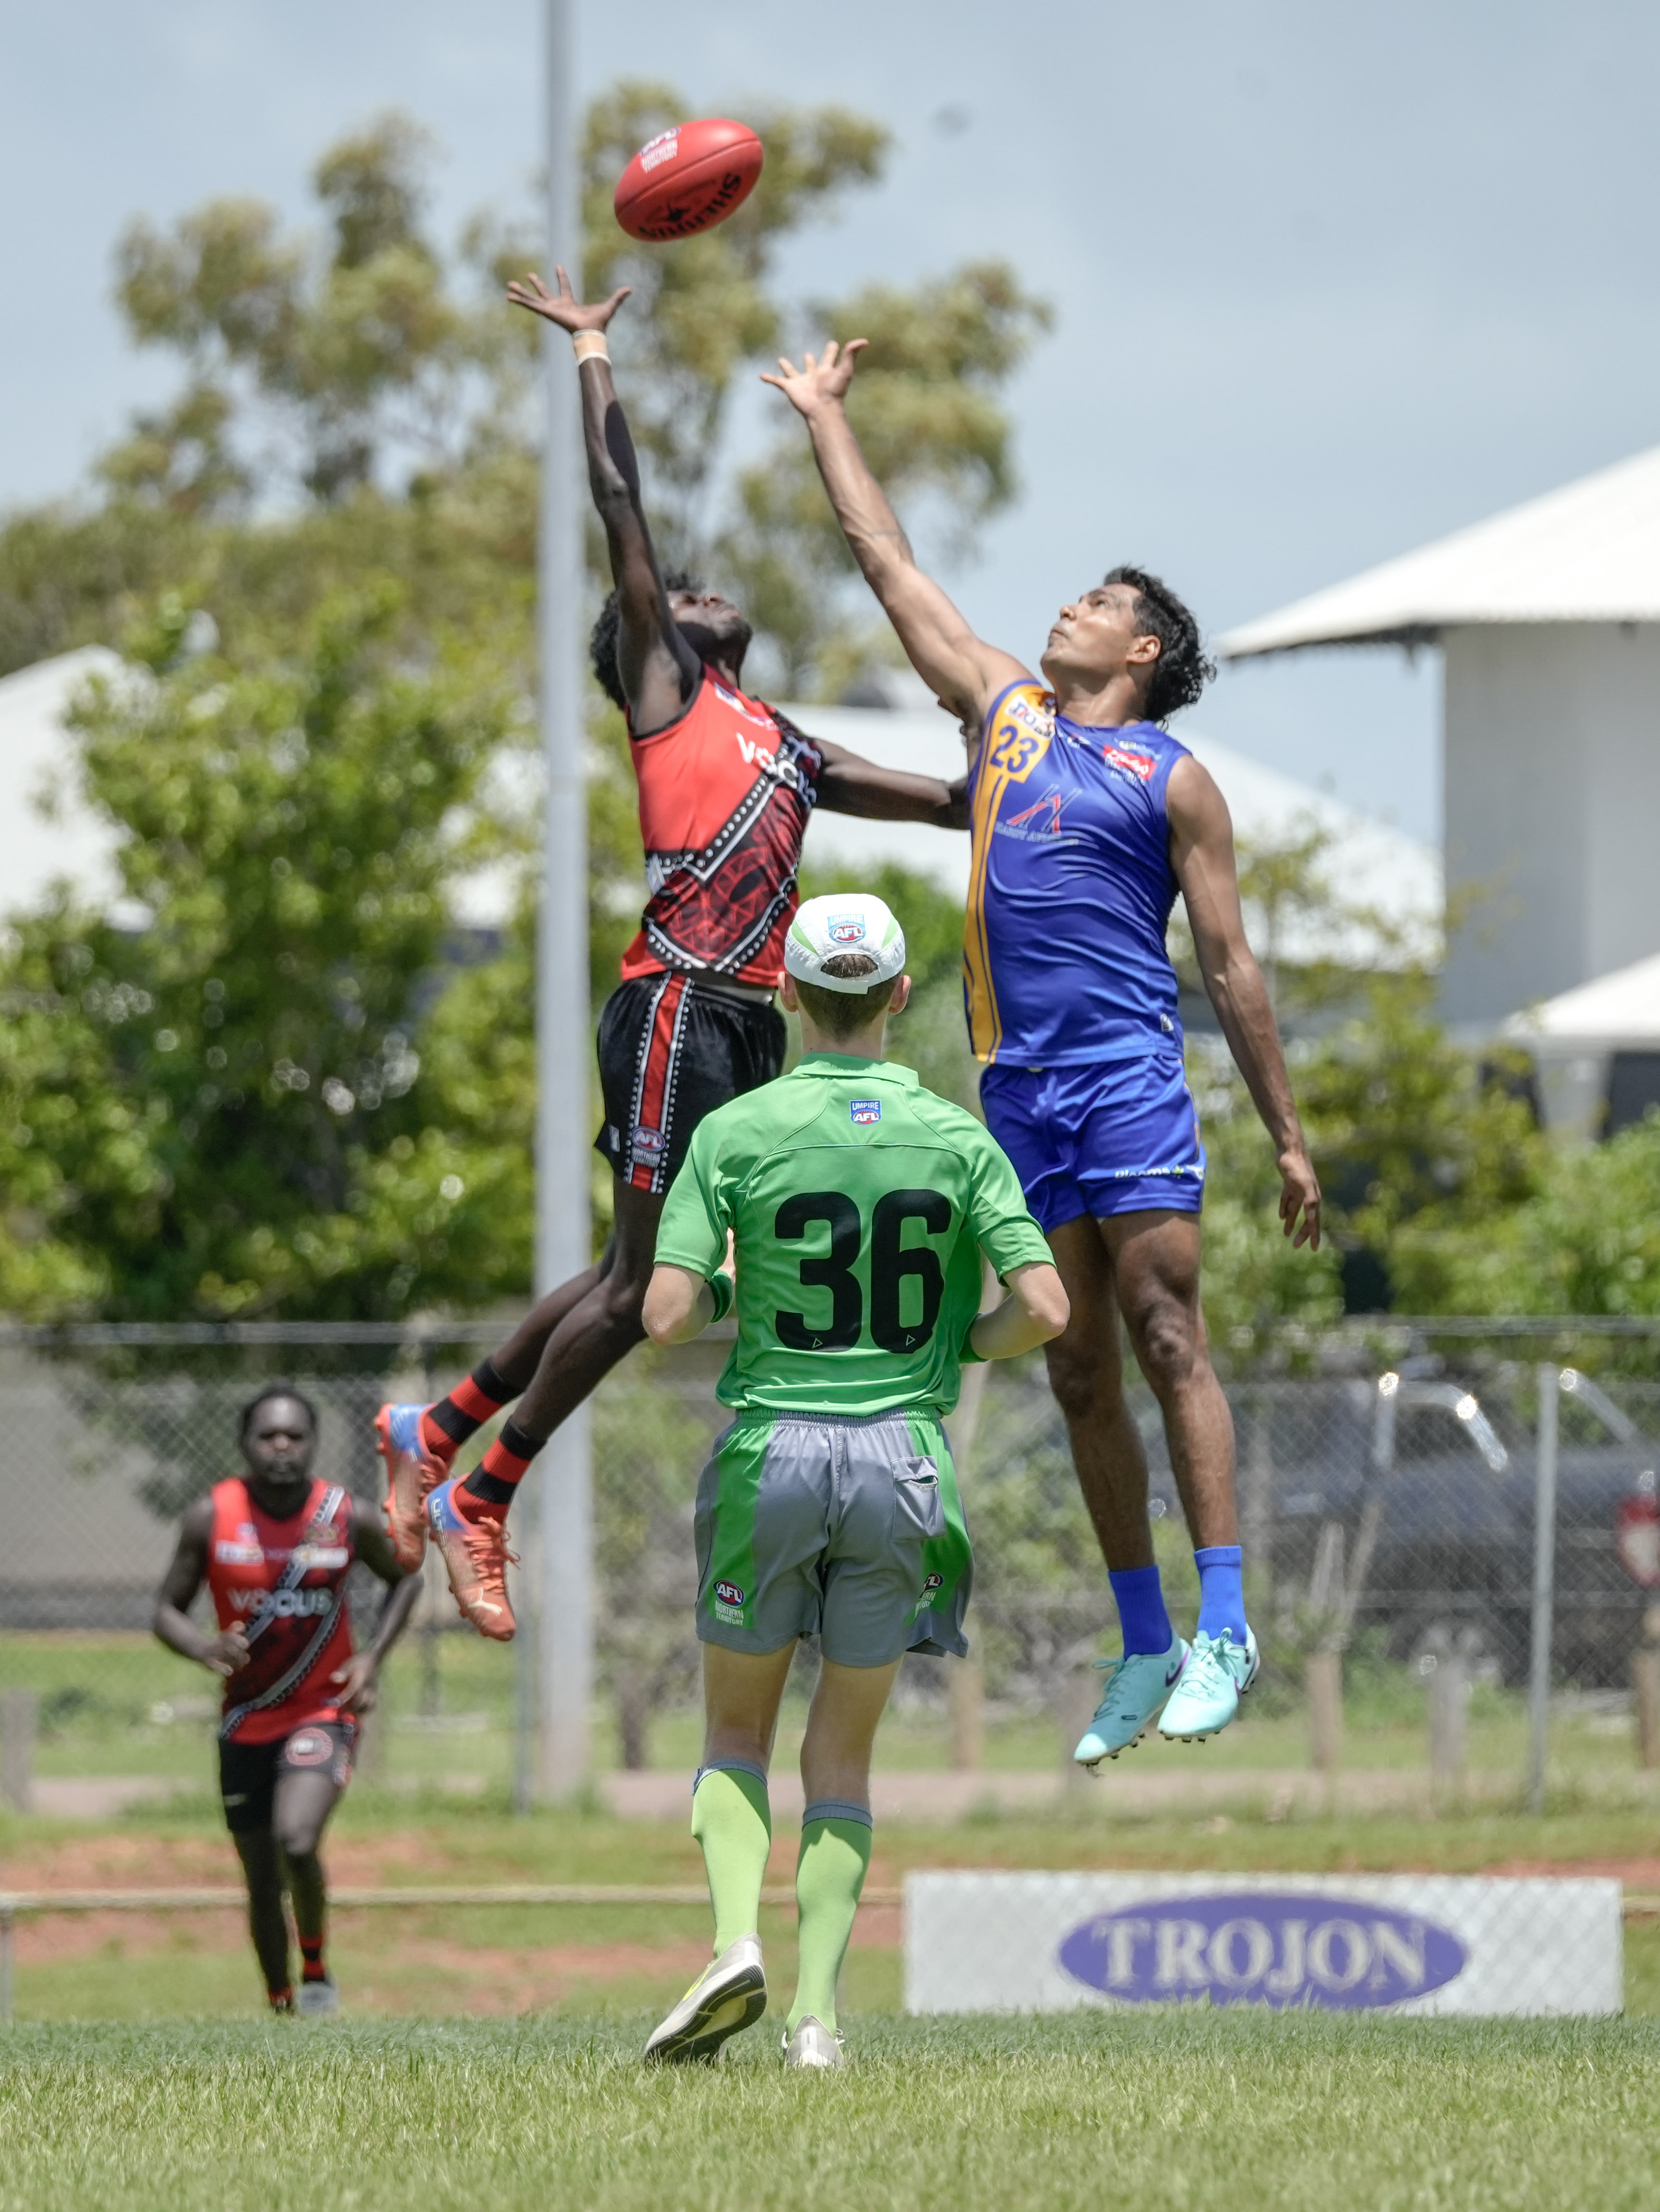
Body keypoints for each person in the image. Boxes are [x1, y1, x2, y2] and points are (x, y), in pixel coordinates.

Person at [377, 269, 970, 1643]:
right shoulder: (669, 690)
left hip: (748, 1025)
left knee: (625, 1277)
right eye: (677, 595)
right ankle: (482, 1494)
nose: (696, 591)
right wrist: (592, 349)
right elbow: (620, 505)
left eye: (693, 592)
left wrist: (1010, 743)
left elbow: (942, 800)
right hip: (677, 1007)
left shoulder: (782, 739)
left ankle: (437, 1427)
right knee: (650, 1290)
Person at [763, 340, 1323, 1760]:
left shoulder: (1175, 781)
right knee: (1073, 1369)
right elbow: (886, 564)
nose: (1067, 605)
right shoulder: (1004, 714)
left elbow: (1230, 965)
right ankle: (1142, 1644)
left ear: (1141, 654)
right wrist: (825, 417)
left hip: (1127, 1081)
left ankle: (1223, 1626)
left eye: (1098, 602)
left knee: (1163, 1332)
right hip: (1016, 1097)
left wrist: (1288, 1137)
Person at [637, 890, 1068, 2067]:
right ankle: (818, 2021)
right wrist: (958, 1344)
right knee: (843, 1754)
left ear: (785, 993)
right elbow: (1044, 1308)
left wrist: (732, 1285)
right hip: (904, 1460)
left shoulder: (738, 1131)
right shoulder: (954, 1139)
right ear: (898, 997)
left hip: (772, 1450)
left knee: (736, 1729)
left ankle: (733, 1943)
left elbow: (664, 1314)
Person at [154, 1386, 419, 2016]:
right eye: (268, 1436)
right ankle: (280, 2004)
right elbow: (165, 1610)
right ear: (245, 1443)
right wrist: (204, 1647)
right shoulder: (211, 1516)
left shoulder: (344, 1514)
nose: (282, 1447)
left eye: (295, 1436)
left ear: (313, 1443)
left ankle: (317, 1972)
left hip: (322, 1710)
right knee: (261, 1876)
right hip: (245, 1717)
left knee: (296, 1840)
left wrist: (371, 1657)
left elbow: (406, 1576)